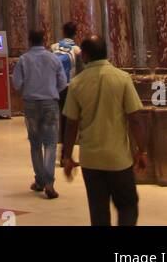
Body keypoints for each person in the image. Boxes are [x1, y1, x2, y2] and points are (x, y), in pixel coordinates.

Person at [62, 34, 148, 227]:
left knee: (98, 210)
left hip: (91, 160)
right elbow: (135, 119)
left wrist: (67, 156)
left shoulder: (77, 83)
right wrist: (141, 151)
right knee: (128, 205)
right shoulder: (122, 78)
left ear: (84, 55)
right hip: (119, 160)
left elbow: (71, 124)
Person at [12, 28, 67, 198]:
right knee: (50, 143)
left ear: (29, 41)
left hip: (31, 104)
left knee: (35, 143)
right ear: (44, 40)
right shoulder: (53, 59)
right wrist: (51, 91)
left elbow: (16, 83)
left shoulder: (24, 59)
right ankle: (49, 183)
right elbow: (63, 83)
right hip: (50, 103)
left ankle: (40, 180)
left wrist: (29, 89)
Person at [51, 21, 82, 162]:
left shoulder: (54, 47)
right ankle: (65, 154)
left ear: (63, 32)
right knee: (68, 119)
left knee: (56, 118)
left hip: (54, 86)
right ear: (75, 33)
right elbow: (80, 71)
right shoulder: (77, 50)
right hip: (69, 87)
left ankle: (54, 151)